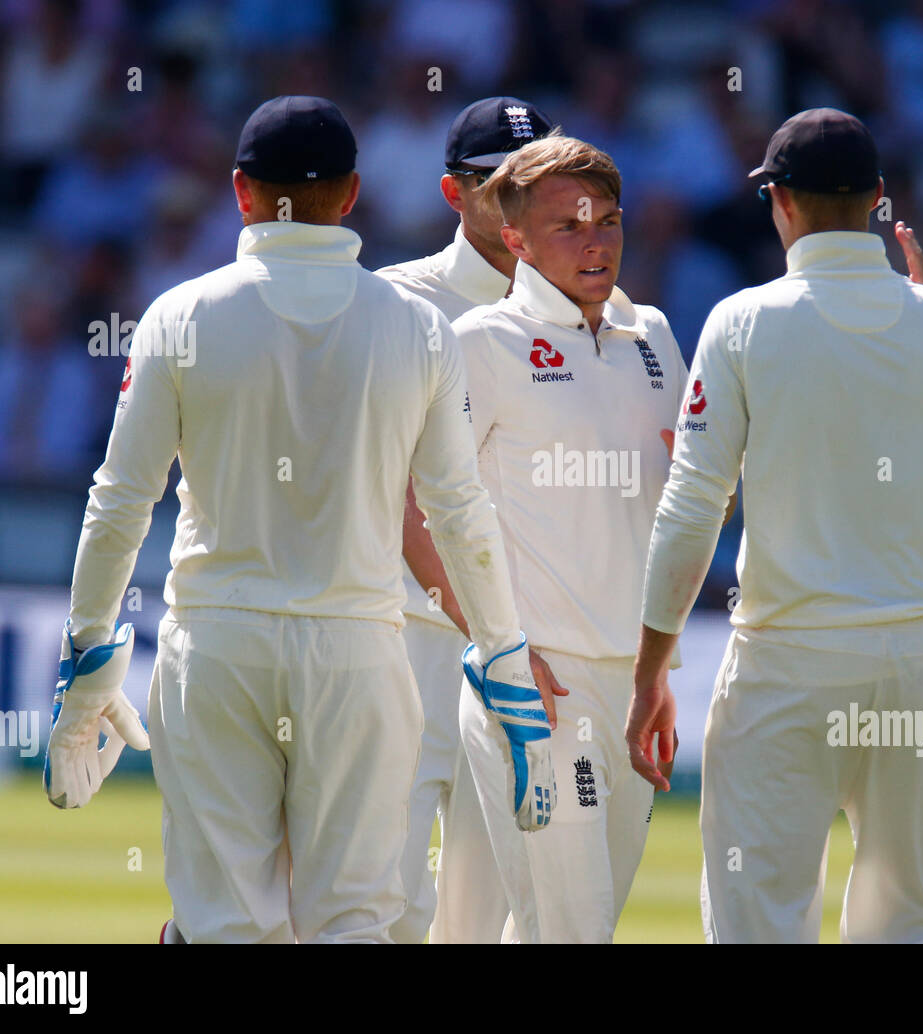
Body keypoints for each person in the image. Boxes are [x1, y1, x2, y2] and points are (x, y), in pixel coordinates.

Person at [43, 95, 551, 944]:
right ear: (352, 194)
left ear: (240, 193)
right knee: (353, 921)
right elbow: (459, 511)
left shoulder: (181, 315)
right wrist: (507, 661)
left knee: (225, 924)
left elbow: (120, 499)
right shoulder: (419, 327)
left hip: (218, 644)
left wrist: (88, 656)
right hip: (357, 649)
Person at [626, 108, 923, 944]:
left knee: (758, 922)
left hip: (788, 666)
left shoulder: (742, 321)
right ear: (877, 200)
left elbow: (693, 507)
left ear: (781, 203)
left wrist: (650, 672)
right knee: (914, 928)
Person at [421, 134, 689, 943]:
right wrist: (500, 649)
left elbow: (682, 505)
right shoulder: (480, 342)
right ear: (515, 239)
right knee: (570, 934)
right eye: (569, 225)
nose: (596, 240)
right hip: (539, 692)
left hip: (629, 685)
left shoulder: (654, 339)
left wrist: (657, 670)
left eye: (608, 219)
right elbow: (424, 506)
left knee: (562, 929)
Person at [374, 96, 557, 946]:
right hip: (407, 640)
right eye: (501, 184)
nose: (527, 200)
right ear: (455, 192)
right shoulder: (395, 302)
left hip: (530, 649)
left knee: (489, 918)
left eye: (542, 177)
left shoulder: (593, 307)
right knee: (388, 900)